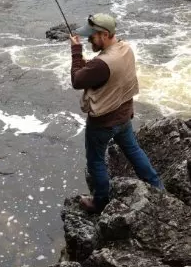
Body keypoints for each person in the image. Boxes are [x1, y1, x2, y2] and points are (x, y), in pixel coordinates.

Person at [70, 13, 164, 213]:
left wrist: (76, 52)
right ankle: (157, 188)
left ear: (105, 34)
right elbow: (111, 73)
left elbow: (77, 81)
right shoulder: (125, 49)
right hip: (123, 116)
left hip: (103, 124)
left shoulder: (101, 64)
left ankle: (100, 202)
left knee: (95, 160)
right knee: (134, 151)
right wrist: (90, 65)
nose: (88, 39)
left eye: (92, 36)